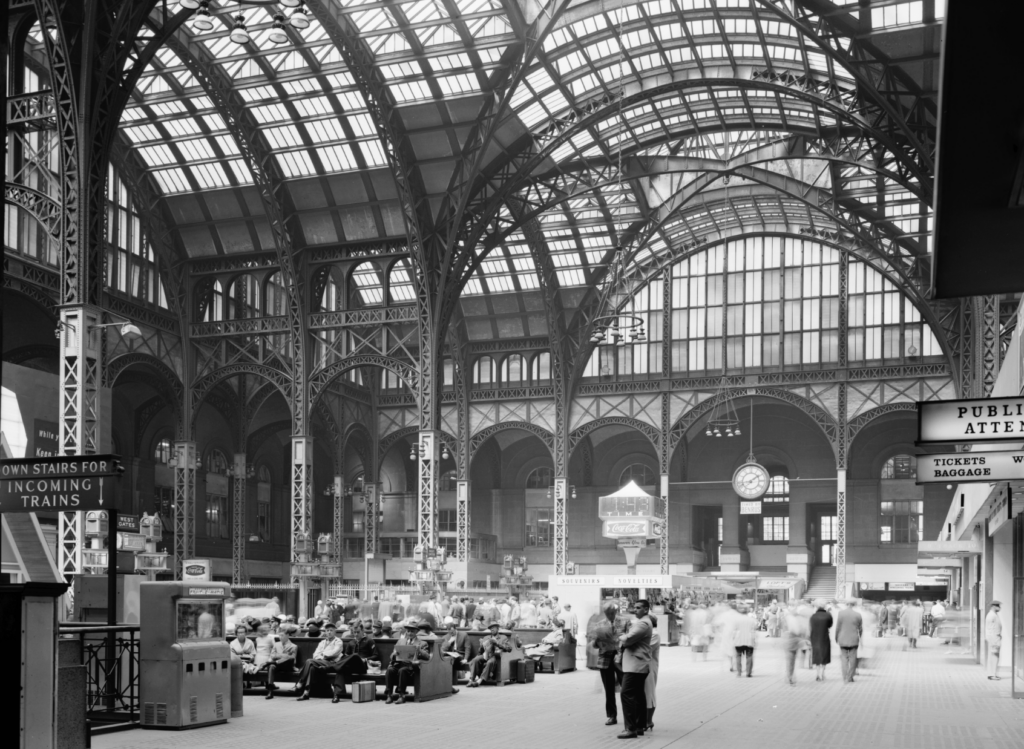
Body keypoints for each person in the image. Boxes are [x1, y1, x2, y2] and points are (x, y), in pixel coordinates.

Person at [617, 598, 653, 740]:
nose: (635, 610)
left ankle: (631, 728)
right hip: (637, 664)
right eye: (635, 607)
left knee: (626, 693)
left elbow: (628, 638)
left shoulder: (644, 623)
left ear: (645, 609)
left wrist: (621, 636)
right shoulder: (642, 622)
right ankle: (639, 726)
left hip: (635, 665)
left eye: (638, 608)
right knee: (638, 695)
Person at [588, 602, 623, 727]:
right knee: (609, 690)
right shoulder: (599, 625)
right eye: (608, 614)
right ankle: (611, 716)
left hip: (620, 659)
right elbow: (594, 645)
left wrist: (617, 641)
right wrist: (597, 641)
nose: (610, 616)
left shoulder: (625, 622)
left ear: (616, 611)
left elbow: (630, 639)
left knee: (625, 689)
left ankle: (629, 715)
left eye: (612, 613)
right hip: (605, 659)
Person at [384, 620, 433, 704]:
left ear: (417, 632)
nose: (410, 633)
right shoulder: (401, 641)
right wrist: (395, 654)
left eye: (412, 631)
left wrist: (419, 650)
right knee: (390, 670)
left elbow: (427, 656)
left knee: (402, 670)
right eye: (408, 631)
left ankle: (402, 696)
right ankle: (389, 695)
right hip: (399, 664)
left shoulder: (422, 643)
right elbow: (391, 656)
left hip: (411, 668)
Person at [331, 620, 381, 702]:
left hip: (362, 666)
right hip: (351, 666)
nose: (356, 634)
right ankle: (337, 694)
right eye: (354, 632)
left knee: (355, 655)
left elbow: (376, 655)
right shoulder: (351, 642)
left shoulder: (369, 641)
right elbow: (346, 656)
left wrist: (365, 659)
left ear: (362, 631)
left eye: (358, 632)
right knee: (340, 669)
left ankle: (333, 666)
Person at [295, 622, 346, 700]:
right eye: (327, 630)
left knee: (309, 661)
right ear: (325, 632)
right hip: (321, 662)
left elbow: (334, 652)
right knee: (311, 667)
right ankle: (306, 692)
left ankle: (301, 681)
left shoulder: (338, 641)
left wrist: (322, 655)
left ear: (335, 631)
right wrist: (322, 656)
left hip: (331, 664)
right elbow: (315, 654)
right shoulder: (322, 642)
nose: (329, 632)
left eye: (331, 630)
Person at [467, 621, 511, 686]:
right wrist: (481, 645)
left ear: (497, 628)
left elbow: (509, 648)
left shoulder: (503, 637)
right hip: (485, 655)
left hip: (496, 656)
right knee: (475, 660)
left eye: (493, 627)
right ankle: (471, 680)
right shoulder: (486, 637)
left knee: (490, 662)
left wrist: (497, 643)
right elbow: (480, 652)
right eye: (491, 628)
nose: (492, 629)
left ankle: (479, 681)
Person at [265, 623, 298, 699]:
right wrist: (284, 655)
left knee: (289, 659)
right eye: (279, 635)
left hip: (288, 666)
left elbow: (292, 658)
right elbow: (272, 655)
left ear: (287, 636)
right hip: (278, 666)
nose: (280, 637)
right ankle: (270, 690)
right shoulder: (276, 644)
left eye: (282, 635)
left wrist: (279, 655)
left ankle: (273, 663)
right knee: (271, 666)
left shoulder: (293, 646)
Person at [834, 599, 863, 684]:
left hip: (842, 639)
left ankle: (845, 677)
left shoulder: (841, 613)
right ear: (854, 605)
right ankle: (850, 677)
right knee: (853, 659)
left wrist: (836, 638)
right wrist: (859, 637)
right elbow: (861, 629)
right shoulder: (858, 615)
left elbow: (838, 627)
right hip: (854, 639)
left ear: (847, 604)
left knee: (844, 658)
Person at [440, 617, 469, 693]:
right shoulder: (446, 637)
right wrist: (449, 642)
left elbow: (467, 648)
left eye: (452, 631)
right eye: (449, 631)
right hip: (451, 656)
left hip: (460, 656)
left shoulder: (463, 635)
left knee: (450, 661)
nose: (450, 632)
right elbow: (443, 650)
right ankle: (447, 685)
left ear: (455, 628)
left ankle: (449, 686)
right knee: (446, 660)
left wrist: (466, 659)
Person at [782, 602, 809, 686]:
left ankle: (789, 676)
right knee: (791, 660)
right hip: (793, 642)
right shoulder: (795, 619)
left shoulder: (788, 618)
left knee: (790, 660)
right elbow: (799, 631)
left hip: (790, 642)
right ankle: (790, 676)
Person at [809, 599, 833, 681]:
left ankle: (817, 674)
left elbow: (811, 627)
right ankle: (822, 674)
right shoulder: (828, 615)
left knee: (816, 655)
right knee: (824, 656)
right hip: (824, 638)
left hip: (815, 638)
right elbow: (830, 625)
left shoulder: (813, 616)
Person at [731, 602, 756, 678]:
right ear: (747, 611)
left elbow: (733, 631)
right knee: (749, 656)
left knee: (738, 656)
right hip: (749, 640)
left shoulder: (736, 620)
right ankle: (748, 672)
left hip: (739, 640)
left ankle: (739, 672)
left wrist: (733, 639)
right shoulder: (752, 620)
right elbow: (754, 630)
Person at [644, 618, 661, 733]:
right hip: (639, 666)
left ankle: (648, 721)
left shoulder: (654, 635)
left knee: (649, 693)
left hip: (649, 667)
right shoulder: (645, 634)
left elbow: (644, 648)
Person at [986, 601, 1003, 680]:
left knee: (994, 656)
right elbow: (990, 629)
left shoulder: (994, 615)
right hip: (994, 638)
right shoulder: (991, 615)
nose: (999, 607)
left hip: (995, 637)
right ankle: (992, 674)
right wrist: (993, 641)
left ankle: (992, 673)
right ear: (993, 606)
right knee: (994, 656)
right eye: (998, 606)